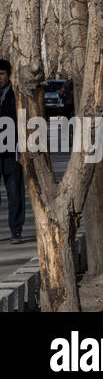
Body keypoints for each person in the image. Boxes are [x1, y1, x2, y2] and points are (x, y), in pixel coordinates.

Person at [0, 58, 24, 244]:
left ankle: (16, 230)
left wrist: (23, 149)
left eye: (1, 74)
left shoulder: (17, 97)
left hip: (12, 152)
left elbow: (24, 123)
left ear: (8, 76)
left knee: (15, 192)